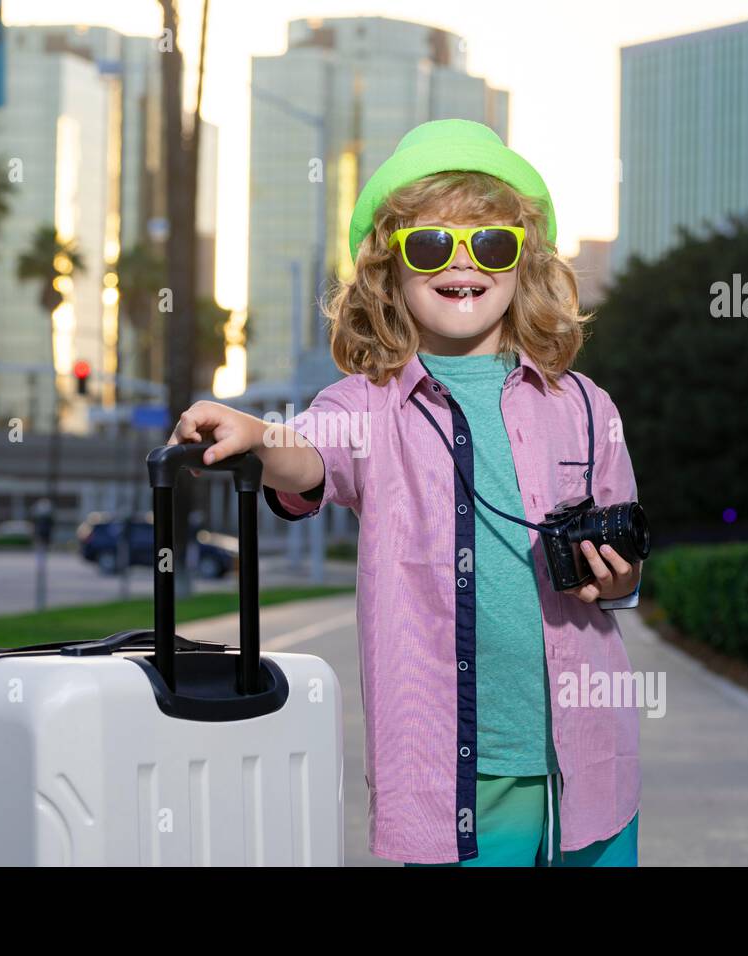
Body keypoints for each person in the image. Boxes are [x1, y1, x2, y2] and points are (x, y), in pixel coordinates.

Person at [166, 119, 642, 866]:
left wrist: (619, 574)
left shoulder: (586, 406)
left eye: (491, 243)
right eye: (430, 245)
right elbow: (310, 459)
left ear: (524, 262)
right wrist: (260, 437)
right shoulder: (365, 407)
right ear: (391, 271)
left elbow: (624, 567)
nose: (463, 264)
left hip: (589, 764)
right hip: (453, 776)